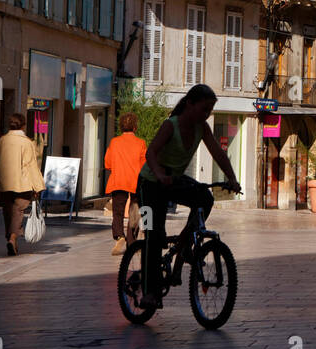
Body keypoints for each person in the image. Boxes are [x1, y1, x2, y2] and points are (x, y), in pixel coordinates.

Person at [138, 85, 243, 310]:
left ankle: (185, 245)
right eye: (204, 109)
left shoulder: (201, 128)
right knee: (152, 236)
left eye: (210, 111)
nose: (206, 115)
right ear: (190, 104)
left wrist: (232, 178)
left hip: (174, 180)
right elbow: (151, 153)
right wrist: (158, 174)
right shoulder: (171, 125)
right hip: (149, 183)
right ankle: (149, 291)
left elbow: (218, 153)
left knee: (205, 199)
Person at [0, 114, 44, 256]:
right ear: (23, 126)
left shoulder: (2, 141)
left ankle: (10, 238)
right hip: (23, 184)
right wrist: (38, 186)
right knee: (18, 212)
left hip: (5, 182)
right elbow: (31, 165)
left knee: (7, 211)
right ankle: (13, 238)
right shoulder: (27, 143)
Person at [104, 113, 147, 255]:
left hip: (118, 180)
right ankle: (131, 241)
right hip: (135, 181)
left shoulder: (114, 142)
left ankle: (119, 236)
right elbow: (144, 165)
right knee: (134, 212)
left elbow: (108, 164)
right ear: (135, 127)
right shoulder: (140, 143)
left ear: (121, 126)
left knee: (118, 212)